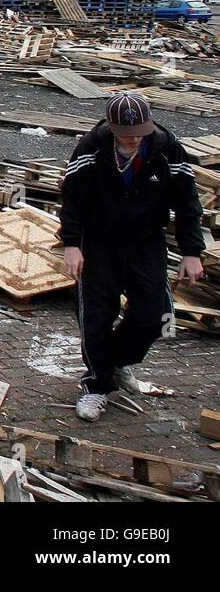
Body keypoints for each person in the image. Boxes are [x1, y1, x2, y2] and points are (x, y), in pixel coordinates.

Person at [59, 92, 205, 422]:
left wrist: (191, 252)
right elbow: (72, 198)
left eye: (141, 131)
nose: (135, 139)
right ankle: (96, 386)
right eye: (127, 134)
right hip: (97, 243)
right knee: (96, 316)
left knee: (156, 315)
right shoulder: (92, 149)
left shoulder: (167, 149)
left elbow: (187, 203)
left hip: (145, 243)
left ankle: (117, 361)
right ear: (112, 129)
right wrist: (71, 245)